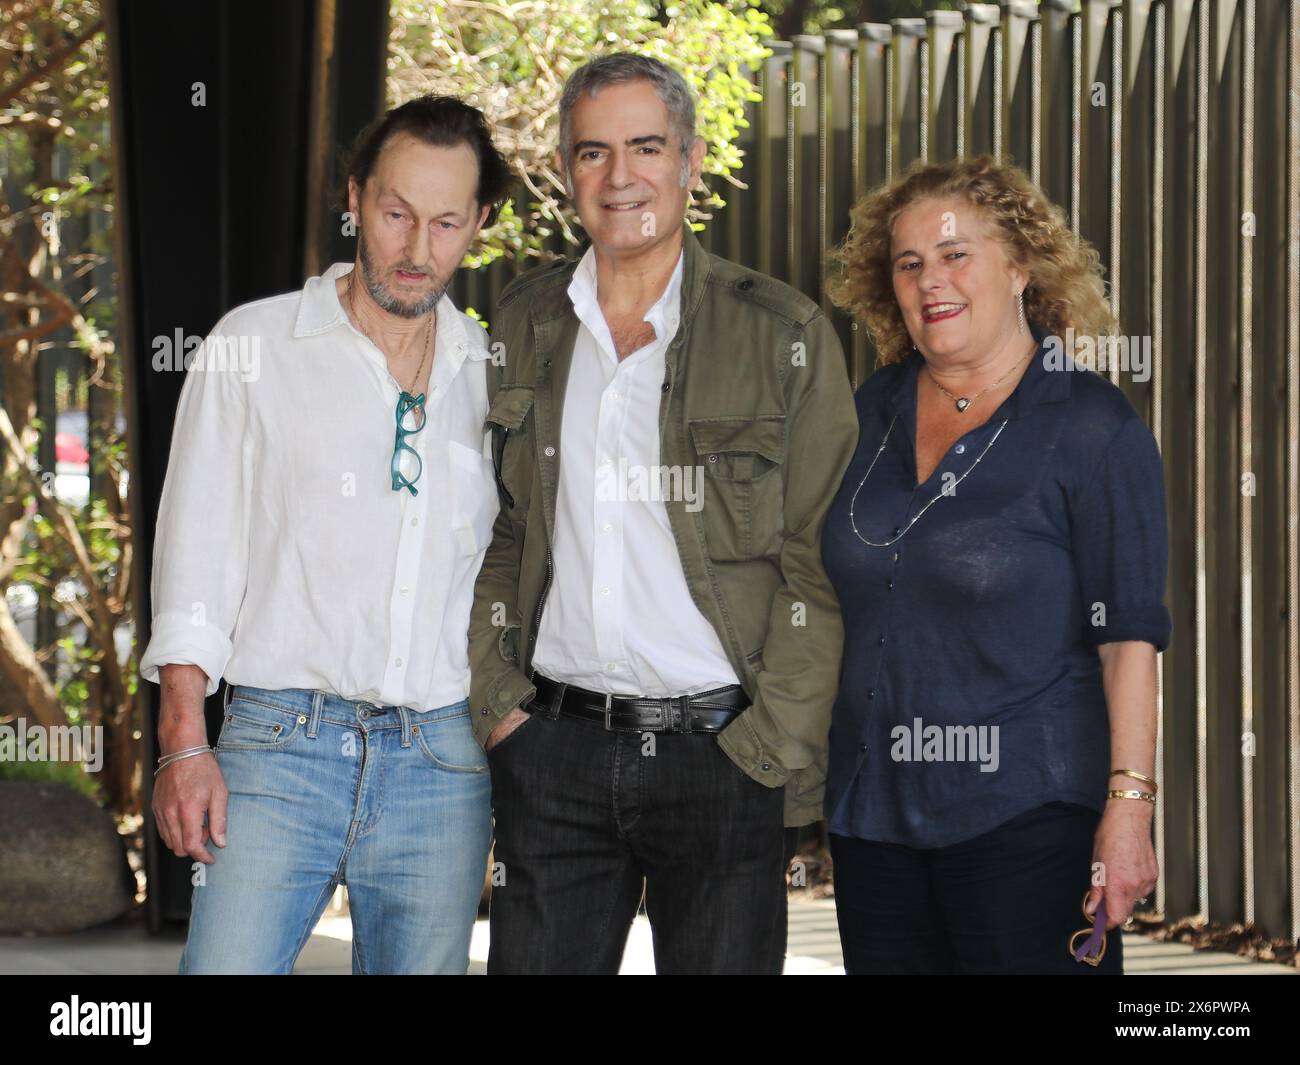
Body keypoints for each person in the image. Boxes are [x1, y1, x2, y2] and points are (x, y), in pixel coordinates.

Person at [467, 54, 858, 974]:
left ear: (689, 160)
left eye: (646, 147)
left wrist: (769, 747)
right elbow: (503, 528)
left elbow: (820, 560)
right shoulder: (523, 323)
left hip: (721, 756)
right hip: (552, 748)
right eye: (593, 153)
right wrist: (499, 705)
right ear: (566, 171)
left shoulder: (783, 334)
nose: (620, 176)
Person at [140, 95, 510, 974]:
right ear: (354, 198)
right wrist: (183, 743)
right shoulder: (254, 345)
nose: (418, 250)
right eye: (396, 214)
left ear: (480, 224)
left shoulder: (493, 377)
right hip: (279, 746)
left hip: (440, 759)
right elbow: (195, 555)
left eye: (447, 222)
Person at [820, 154, 1170, 974]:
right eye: (908, 262)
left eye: (954, 254)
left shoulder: (1091, 428)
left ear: (1019, 268)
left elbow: (1129, 638)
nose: (929, 280)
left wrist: (1128, 810)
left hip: (1028, 822)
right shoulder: (864, 414)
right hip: (874, 820)